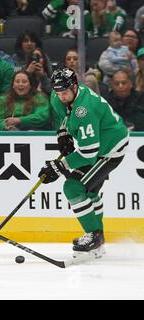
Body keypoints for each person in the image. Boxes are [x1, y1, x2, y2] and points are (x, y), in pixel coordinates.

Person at [39, 67, 129, 259]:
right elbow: (65, 116)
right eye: (58, 92)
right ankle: (98, 240)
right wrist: (63, 132)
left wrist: (60, 165)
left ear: (74, 86)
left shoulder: (84, 109)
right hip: (99, 146)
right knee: (88, 191)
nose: (61, 97)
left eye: (64, 92)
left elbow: (88, 153)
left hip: (110, 150)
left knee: (73, 188)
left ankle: (94, 237)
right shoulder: (58, 97)